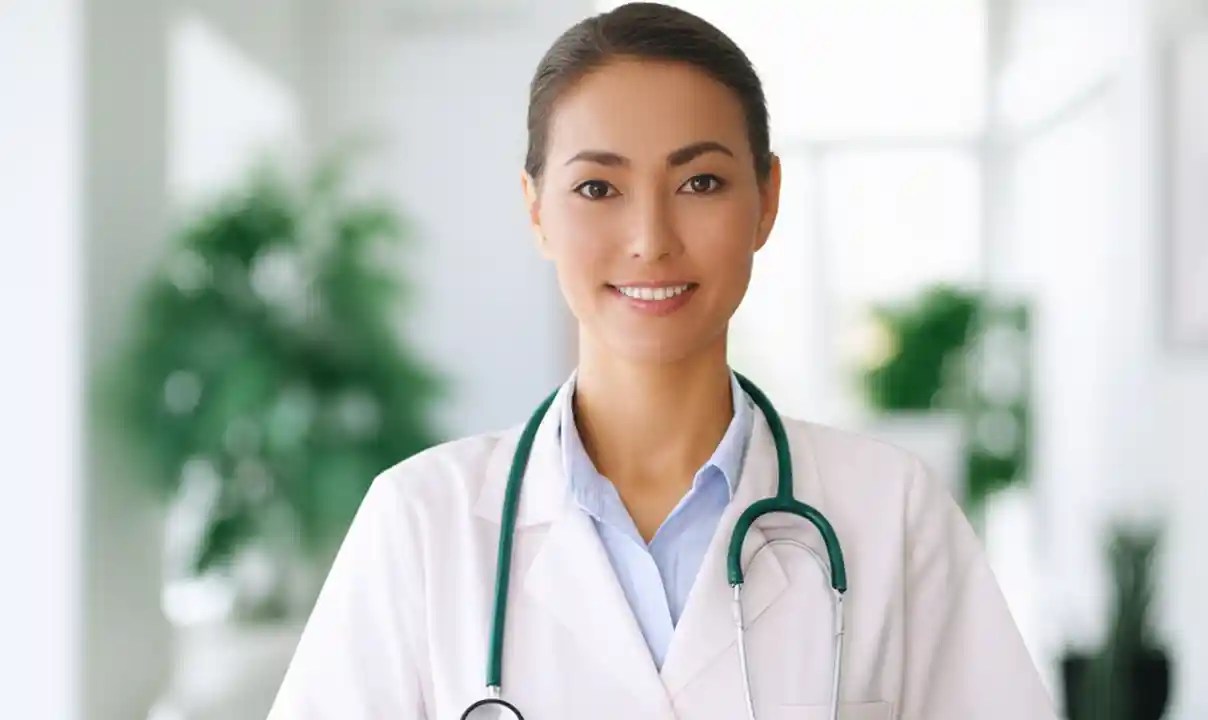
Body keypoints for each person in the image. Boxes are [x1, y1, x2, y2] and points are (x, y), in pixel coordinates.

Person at [267, 3, 1058, 718]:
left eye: (701, 181)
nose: (650, 237)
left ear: (767, 199)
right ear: (536, 210)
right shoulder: (420, 524)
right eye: (598, 189)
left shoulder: (892, 515)